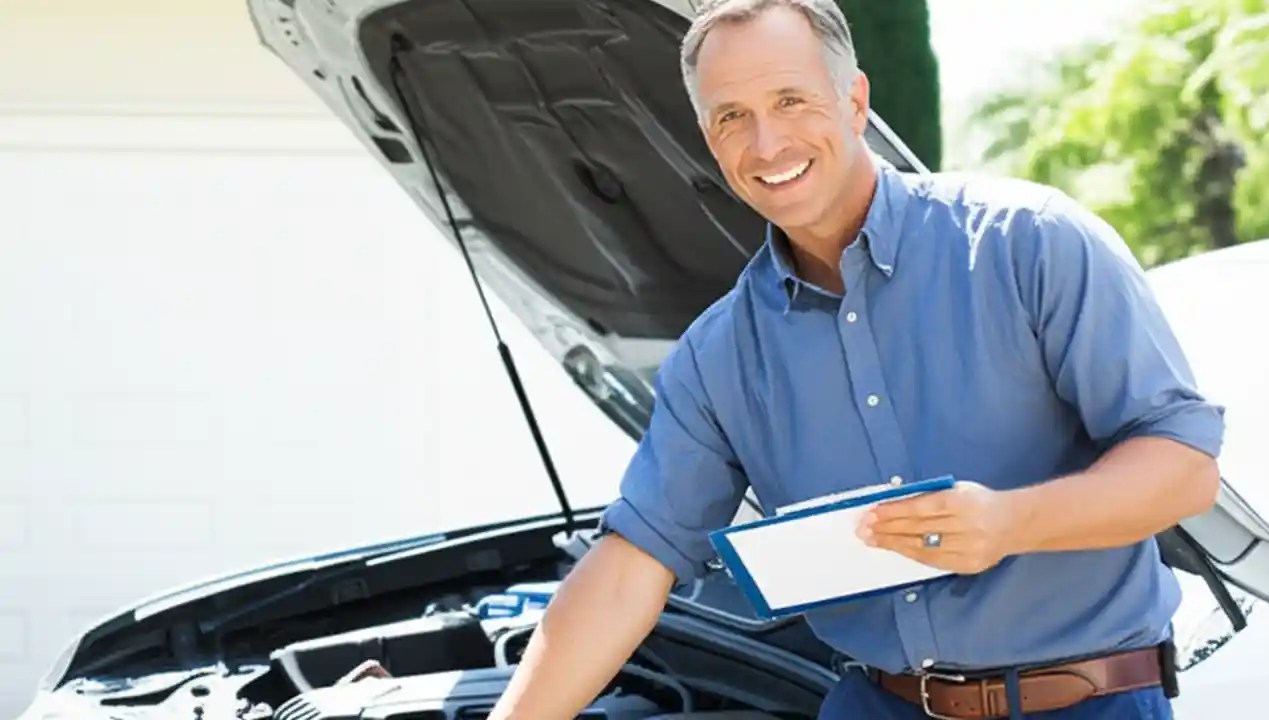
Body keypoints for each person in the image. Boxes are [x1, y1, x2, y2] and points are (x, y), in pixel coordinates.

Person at [486, 1, 1225, 718]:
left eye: (791, 100)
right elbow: (630, 567)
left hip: (1087, 703)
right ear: (709, 138)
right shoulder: (718, 358)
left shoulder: (1028, 244)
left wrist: (1010, 522)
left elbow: (1184, 468)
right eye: (732, 117)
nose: (767, 144)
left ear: (856, 100)